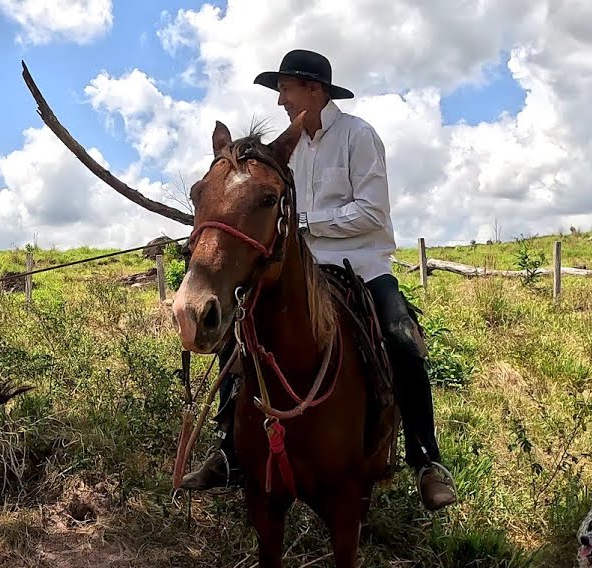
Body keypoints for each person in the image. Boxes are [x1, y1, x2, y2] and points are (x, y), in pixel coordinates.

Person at [180, 49, 457, 512]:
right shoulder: (283, 152)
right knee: (238, 334)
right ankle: (229, 452)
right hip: (300, 268)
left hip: (362, 265)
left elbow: (371, 211)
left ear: (315, 89)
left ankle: (426, 459)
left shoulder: (358, 136)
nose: (281, 101)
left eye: (285, 89)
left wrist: (305, 221)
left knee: (400, 337)